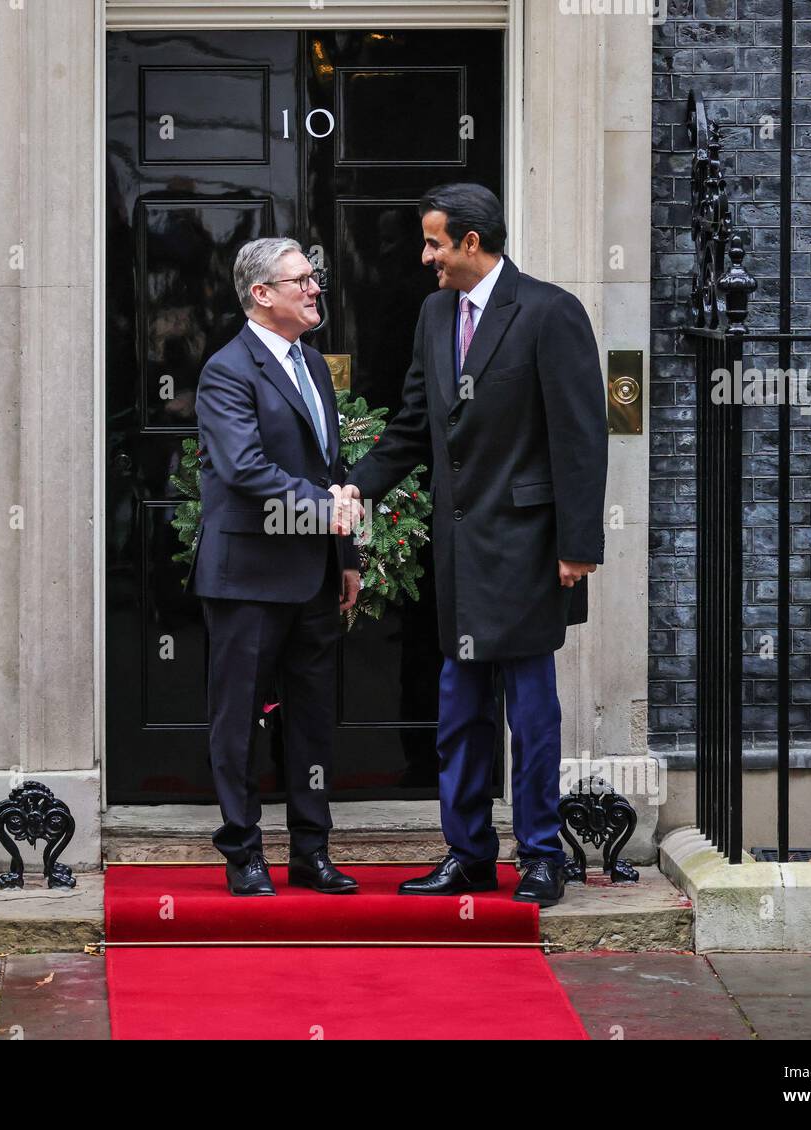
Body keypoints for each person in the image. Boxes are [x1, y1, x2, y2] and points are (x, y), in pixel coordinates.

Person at [337, 184, 608, 906]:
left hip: (526, 546)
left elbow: (581, 437)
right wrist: (360, 485)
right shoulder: (434, 313)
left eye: (432, 243)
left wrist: (579, 544)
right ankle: (467, 856)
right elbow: (413, 423)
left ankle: (542, 857)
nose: (424, 257)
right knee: (458, 710)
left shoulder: (550, 311)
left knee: (531, 712)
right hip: (457, 550)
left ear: (470, 243)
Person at [188, 236, 364, 897]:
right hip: (247, 579)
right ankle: (243, 853)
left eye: (314, 279)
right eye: (301, 281)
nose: (315, 288)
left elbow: (329, 468)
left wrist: (346, 557)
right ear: (262, 294)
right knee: (238, 721)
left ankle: (311, 853)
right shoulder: (226, 370)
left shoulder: (315, 366)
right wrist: (328, 509)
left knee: (312, 721)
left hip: (315, 576)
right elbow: (242, 468)